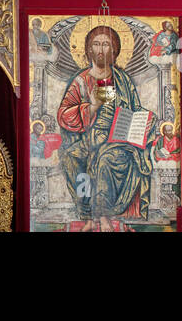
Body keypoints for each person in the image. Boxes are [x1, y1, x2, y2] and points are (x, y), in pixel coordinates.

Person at [57, 25, 157, 230]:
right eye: (96, 44)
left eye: (106, 44)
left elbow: (134, 108)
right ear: (89, 49)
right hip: (87, 139)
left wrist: (146, 120)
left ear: (115, 50)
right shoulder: (81, 80)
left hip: (116, 140)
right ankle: (87, 217)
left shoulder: (122, 80)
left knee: (105, 159)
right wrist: (92, 106)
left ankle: (103, 218)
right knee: (70, 156)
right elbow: (64, 114)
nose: (101, 49)